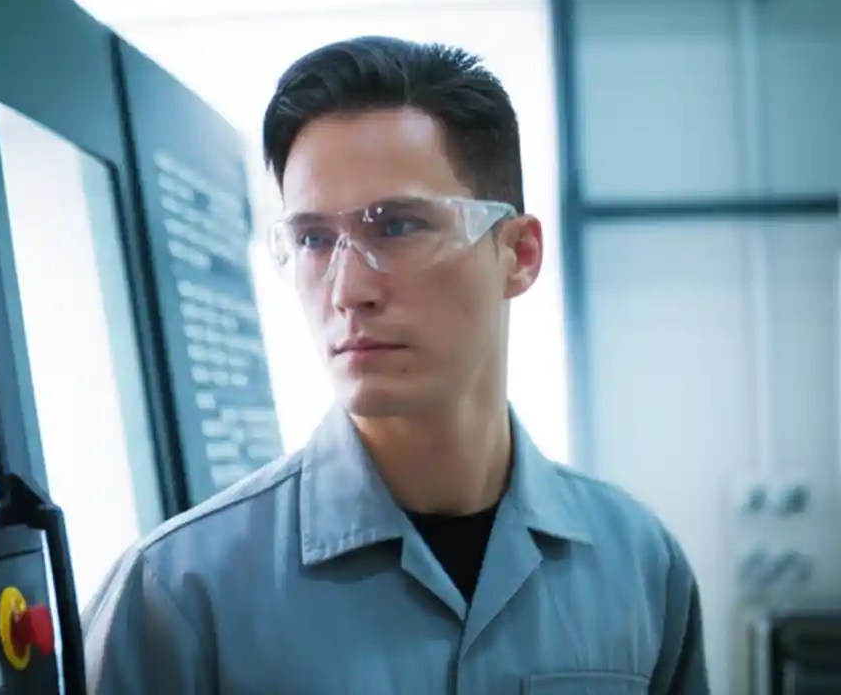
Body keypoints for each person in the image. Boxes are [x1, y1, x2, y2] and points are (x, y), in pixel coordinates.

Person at [83, 36, 709, 694]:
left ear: (518, 254)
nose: (348, 289)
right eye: (313, 240)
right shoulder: (179, 598)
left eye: (398, 227)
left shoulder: (639, 566)